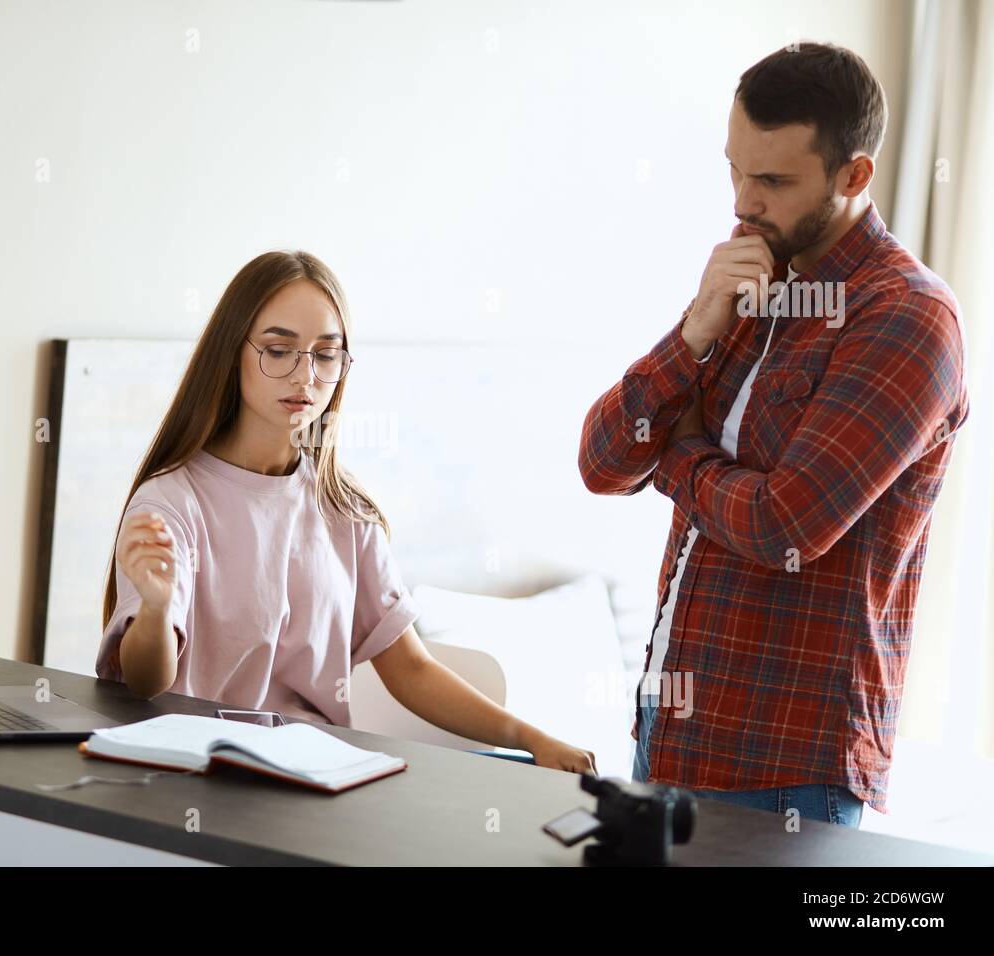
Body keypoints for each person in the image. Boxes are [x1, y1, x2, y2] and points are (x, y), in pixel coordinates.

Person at [578, 43, 969, 825]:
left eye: (773, 182)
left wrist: (682, 457)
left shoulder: (908, 317)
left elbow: (786, 522)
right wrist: (693, 332)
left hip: (789, 770)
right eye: (735, 170)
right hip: (668, 735)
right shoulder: (749, 279)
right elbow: (602, 461)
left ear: (854, 177)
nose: (741, 202)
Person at [98, 249, 597, 773]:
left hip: (310, 776)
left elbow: (411, 669)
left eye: (325, 354)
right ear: (232, 354)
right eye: (278, 349)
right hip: (194, 774)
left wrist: (532, 738)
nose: (305, 375)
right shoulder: (172, 501)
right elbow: (145, 681)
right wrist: (154, 610)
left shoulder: (345, 509)